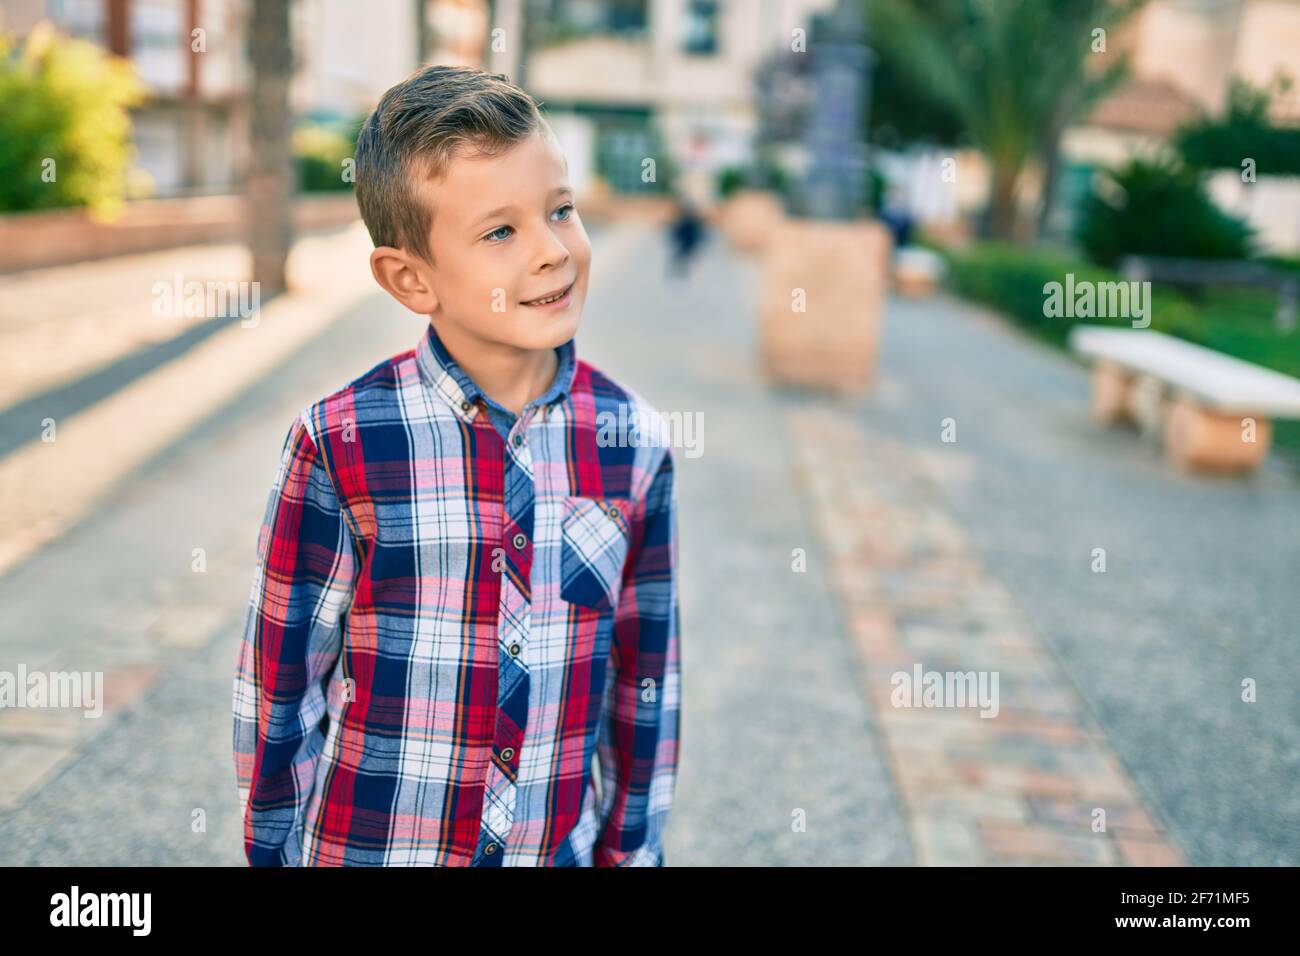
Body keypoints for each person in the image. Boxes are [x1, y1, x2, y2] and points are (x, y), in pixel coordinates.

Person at [232, 66, 681, 867]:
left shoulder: (633, 444)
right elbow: (281, 687)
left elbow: (645, 686)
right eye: (500, 232)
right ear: (411, 277)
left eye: (561, 211)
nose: (553, 252)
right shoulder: (339, 445)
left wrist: (631, 854)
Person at [666, 195, 706, 278]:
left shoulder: (692, 221)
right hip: (685, 243)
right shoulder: (686, 221)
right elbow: (677, 231)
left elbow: (697, 233)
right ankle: (681, 271)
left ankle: (683, 272)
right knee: (683, 258)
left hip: (687, 243)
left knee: (685, 258)